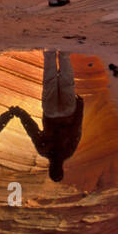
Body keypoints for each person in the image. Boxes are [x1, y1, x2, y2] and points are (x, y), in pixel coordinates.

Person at [11, 50, 84, 182]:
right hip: (50, 113)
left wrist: (80, 107)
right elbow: (31, 129)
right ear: (50, 168)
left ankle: (63, 54)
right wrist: (21, 114)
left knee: (67, 82)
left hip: (68, 112)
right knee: (49, 82)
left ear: (61, 168)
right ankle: (49, 52)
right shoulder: (43, 149)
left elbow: (76, 128)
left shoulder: (68, 152)